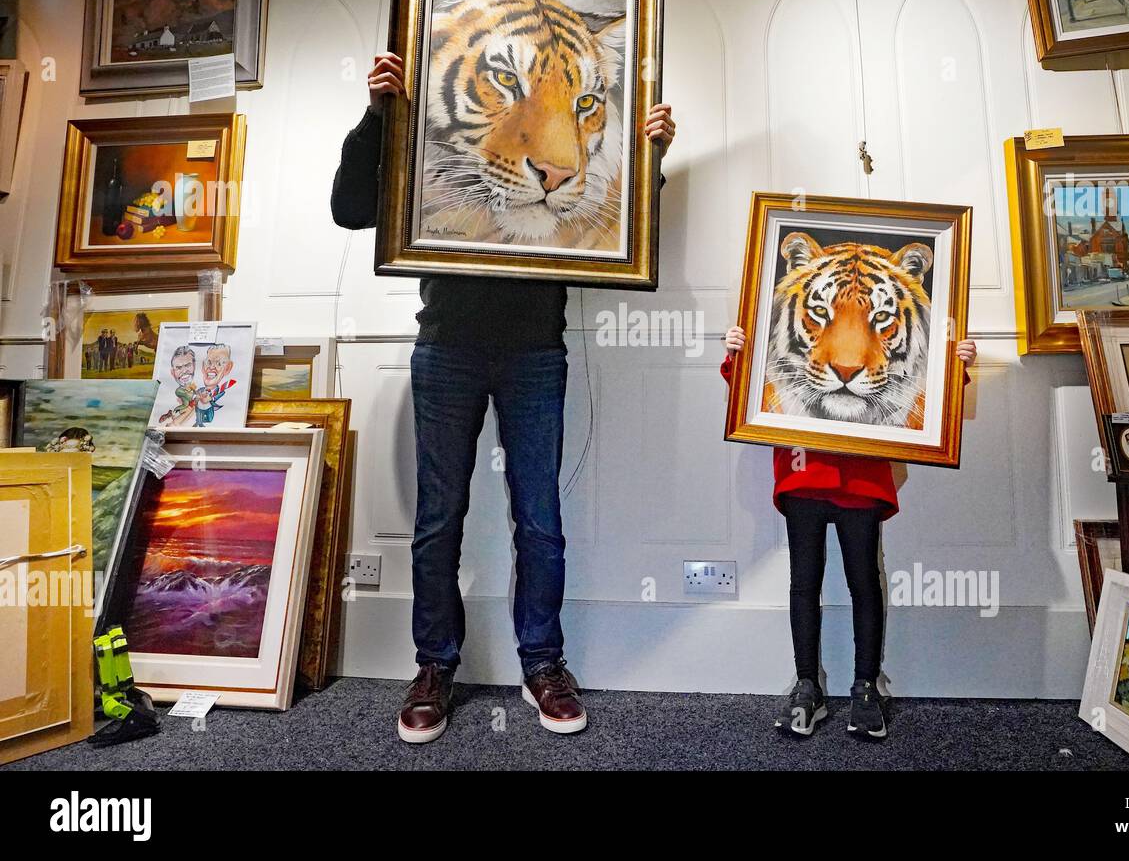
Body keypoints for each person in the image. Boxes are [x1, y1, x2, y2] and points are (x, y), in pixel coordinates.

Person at [332, 51, 676, 742]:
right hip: (446, 346)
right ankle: (434, 665)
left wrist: (650, 159)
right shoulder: (433, 136)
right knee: (439, 518)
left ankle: (543, 664)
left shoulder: (560, 154)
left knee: (540, 518)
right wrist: (377, 115)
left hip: (534, 351)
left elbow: (615, 231)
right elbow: (350, 209)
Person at [721, 325, 976, 739]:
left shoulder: (872, 322)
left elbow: (923, 389)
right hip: (804, 471)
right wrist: (738, 353)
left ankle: (865, 686)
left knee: (863, 582)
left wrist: (955, 364)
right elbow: (751, 388)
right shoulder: (803, 315)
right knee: (805, 583)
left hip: (861, 474)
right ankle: (807, 686)